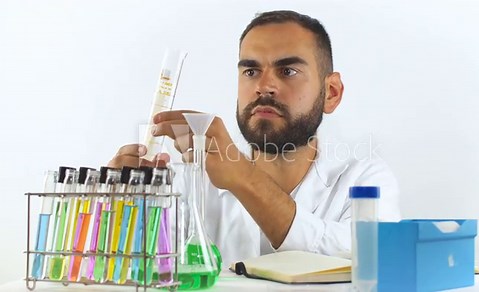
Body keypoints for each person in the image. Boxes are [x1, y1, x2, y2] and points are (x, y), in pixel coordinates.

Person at [109, 10, 400, 267]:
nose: (264, 86)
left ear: (332, 93)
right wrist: (115, 207)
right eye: (251, 70)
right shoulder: (185, 185)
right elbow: (129, 268)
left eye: (287, 71)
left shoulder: (366, 183)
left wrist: (243, 177)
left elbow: (367, 262)